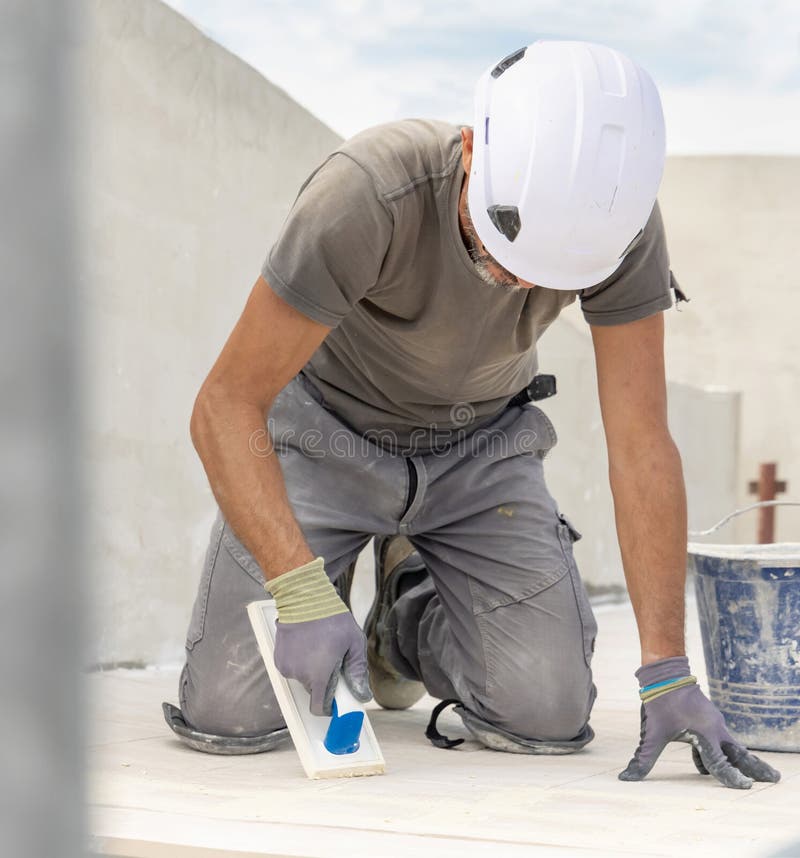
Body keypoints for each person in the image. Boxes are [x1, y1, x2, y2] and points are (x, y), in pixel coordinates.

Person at [163, 40, 780, 788]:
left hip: (481, 451)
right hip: (325, 436)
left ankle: (405, 611)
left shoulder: (617, 224)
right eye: (500, 249)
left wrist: (666, 670)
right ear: (470, 147)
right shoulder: (367, 192)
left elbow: (642, 442)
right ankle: (338, 568)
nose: (515, 280)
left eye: (543, 271)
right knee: (228, 718)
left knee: (546, 716)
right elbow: (224, 403)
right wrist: (298, 590)